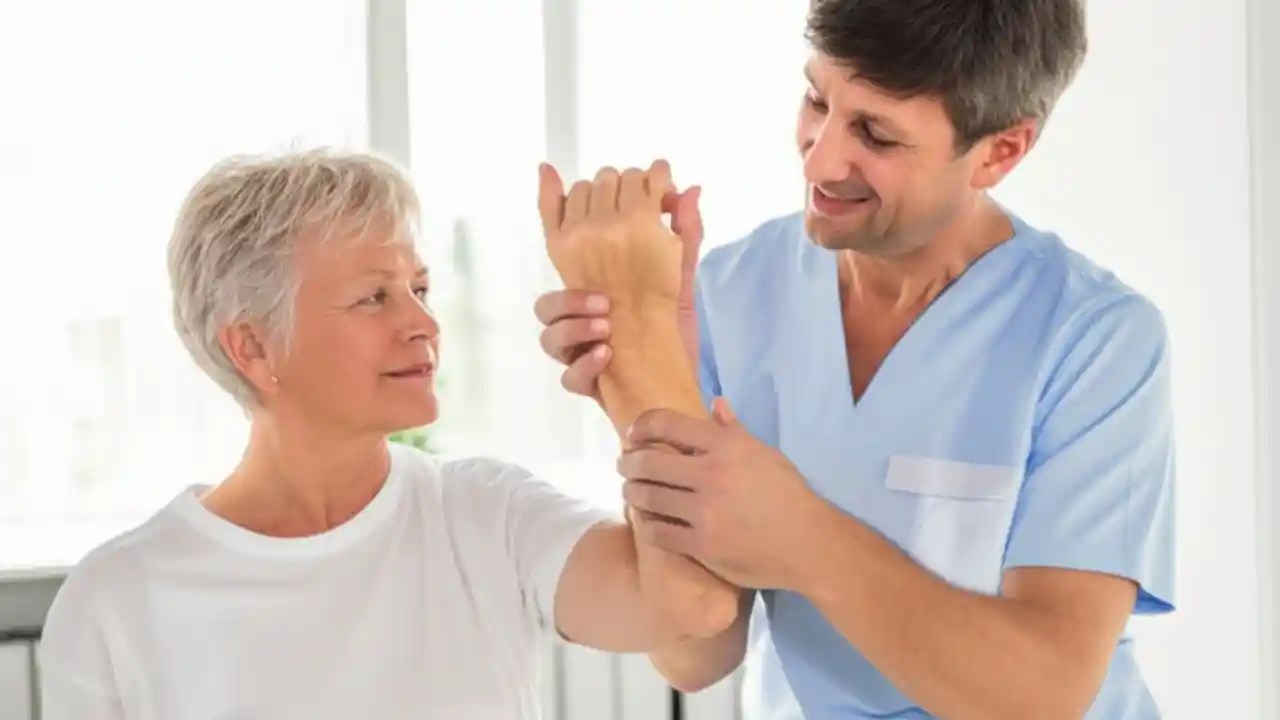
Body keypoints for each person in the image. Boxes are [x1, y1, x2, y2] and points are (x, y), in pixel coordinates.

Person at [534, 0, 1176, 717]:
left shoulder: (1094, 338)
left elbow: (1043, 691)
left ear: (1000, 152)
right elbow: (694, 652)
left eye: (875, 132)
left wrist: (798, 533)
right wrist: (640, 373)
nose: (819, 156)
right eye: (818, 100)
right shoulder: (732, 292)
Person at [38, 149, 738, 719]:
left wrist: (643, 359)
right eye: (374, 296)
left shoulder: (487, 516)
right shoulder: (117, 601)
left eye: (421, 289)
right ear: (252, 348)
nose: (423, 324)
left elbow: (695, 612)